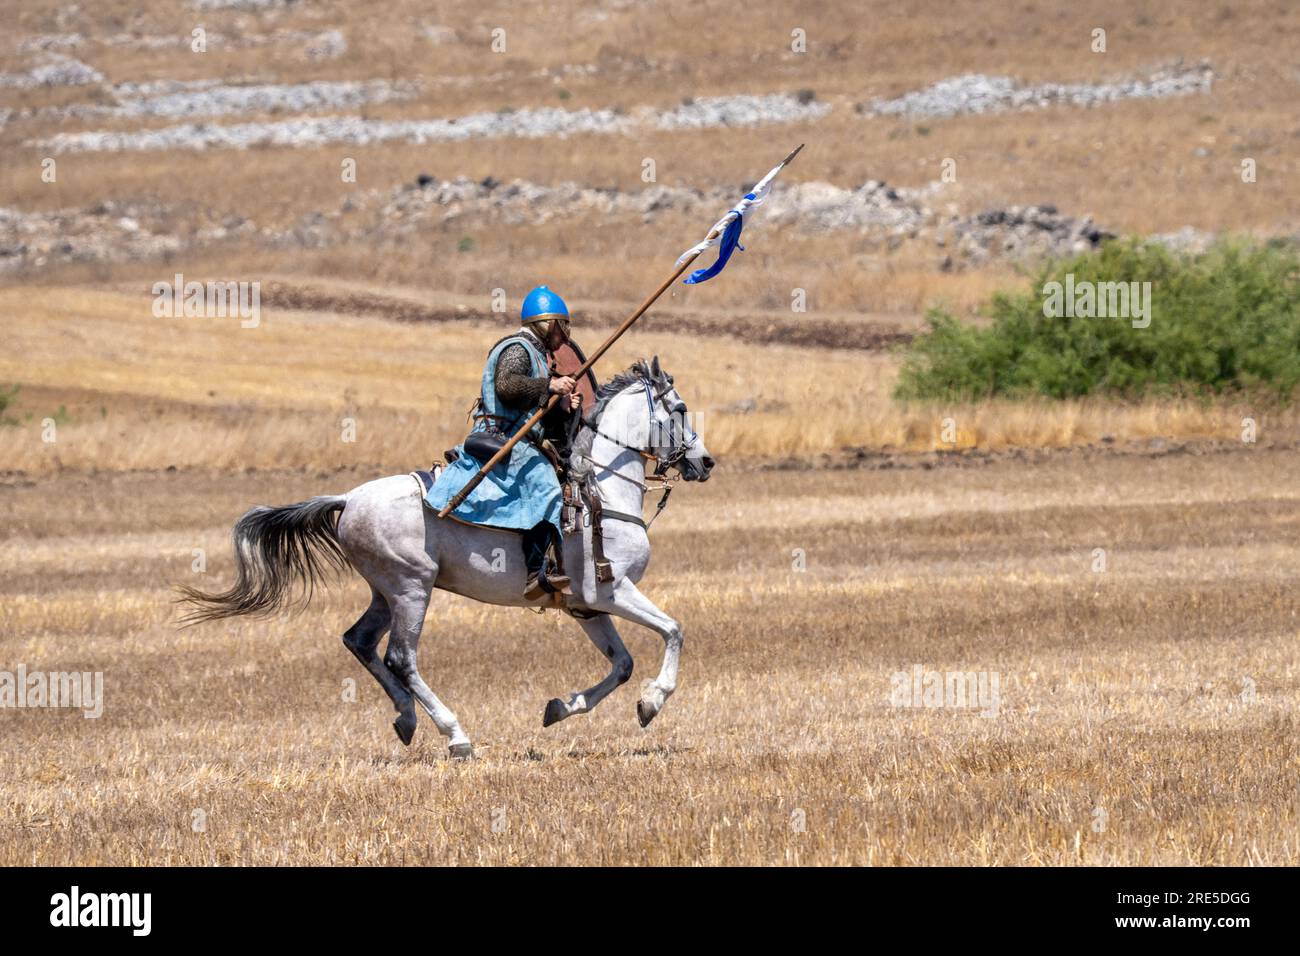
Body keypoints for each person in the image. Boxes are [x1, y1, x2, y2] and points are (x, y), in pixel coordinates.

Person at [425, 286, 594, 600]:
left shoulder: (539, 355)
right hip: (502, 438)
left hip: (521, 439)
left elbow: (532, 405)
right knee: (545, 485)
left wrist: (560, 403)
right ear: (547, 323)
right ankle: (536, 571)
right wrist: (550, 384)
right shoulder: (517, 347)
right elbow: (507, 387)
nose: (565, 333)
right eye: (561, 324)